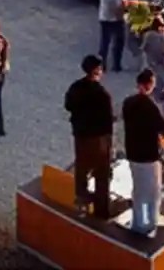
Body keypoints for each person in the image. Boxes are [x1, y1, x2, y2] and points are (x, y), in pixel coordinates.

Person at [122, 69, 164, 238]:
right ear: (149, 85)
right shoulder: (149, 106)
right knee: (153, 193)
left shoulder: (128, 102)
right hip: (148, 156)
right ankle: (150, 225)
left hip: (132, 153)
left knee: (138, 191)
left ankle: (138, 222)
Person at [64, 55, 114, 219]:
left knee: (82, 168)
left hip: (81, 136)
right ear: (97, 70)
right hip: (99, 139)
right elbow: (107, 121)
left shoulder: (76, 87)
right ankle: (102, 211)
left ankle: (81, 202)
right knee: (102, 175)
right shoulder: (102, 94)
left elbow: (68, 105)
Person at [140, 15, 164, 158]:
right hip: (162, 71)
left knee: (155, 97)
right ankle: (162, 143)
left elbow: (143, 49)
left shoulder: (149, 36)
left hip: (151, 68)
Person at [98, 0, 136, 72]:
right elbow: (120, 7)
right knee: (118, 43)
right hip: (116, 20)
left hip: (103, 18)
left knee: (104, 43)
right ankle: (116, 65)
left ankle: (102, 65)